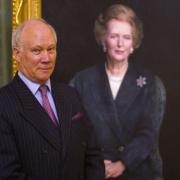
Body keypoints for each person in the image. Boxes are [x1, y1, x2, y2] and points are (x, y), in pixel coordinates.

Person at [0, 19, 104, 180]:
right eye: (37, 51)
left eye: (51, 49)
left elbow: (93, 156)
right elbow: (7, 174)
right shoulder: (4, 103)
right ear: (16, 54)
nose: (46, 58)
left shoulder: (70, 95)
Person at [70, 4, 165, 180]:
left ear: (133, 43)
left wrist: (122, 163)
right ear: (103, 39)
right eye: (114, 36)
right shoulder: (82, 80)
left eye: (127, 37)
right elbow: (73, 131)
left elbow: (148, 134)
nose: (120, 44)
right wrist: (97, 162)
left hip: (135, 171)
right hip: (94, 171)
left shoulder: (150, 83)